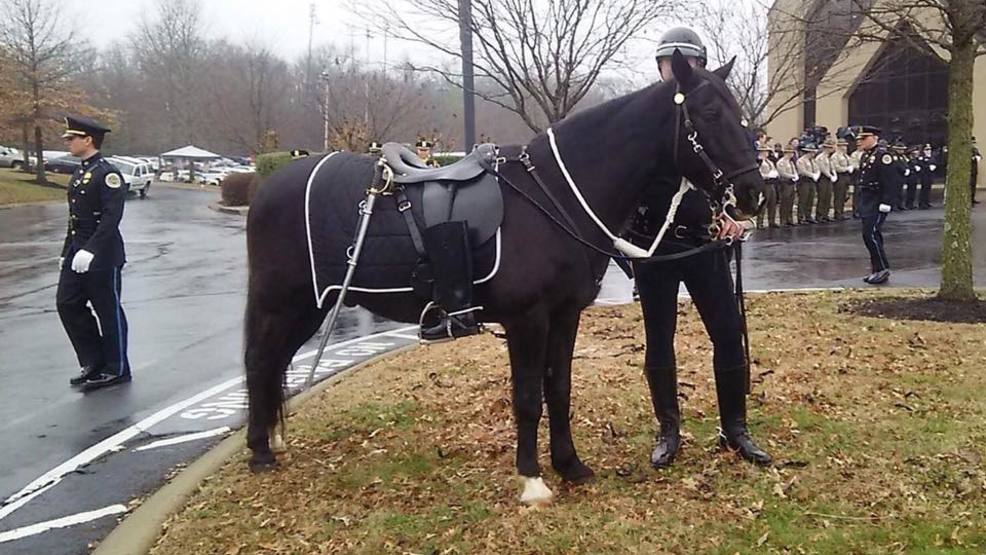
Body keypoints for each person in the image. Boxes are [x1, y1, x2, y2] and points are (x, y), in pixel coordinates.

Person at [630, 26, 771, 469]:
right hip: (657, 246)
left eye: (689, 64)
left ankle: (735, 429)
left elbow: (723, 169)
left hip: (705, 242)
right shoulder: (647, 122)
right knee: (660, 338)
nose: (680, 72)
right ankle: (668, 428)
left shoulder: (707, 110)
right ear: (661, 68)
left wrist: (729, 213)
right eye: (672, 64)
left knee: (728, 333)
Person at [57, 116, 131, 391]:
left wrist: (91, 250)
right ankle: (93, 361)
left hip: (102, 256)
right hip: (78, 253)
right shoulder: (80, 172)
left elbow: (111, 219)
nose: (67, 142)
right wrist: (67, 252)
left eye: (72, 138)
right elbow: (74, 219)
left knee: (108, 311)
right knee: (67, 303)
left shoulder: (107, 173)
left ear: (88, 140)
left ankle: (117, 368)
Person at [852, 125, 898, 284]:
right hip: (867, 199)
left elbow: (891, 181)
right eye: (859, 139)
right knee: (871, 235)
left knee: (870, 234)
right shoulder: (866, 156)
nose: (860, 142)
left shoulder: (883, 156)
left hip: (878, 200)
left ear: (875, 138)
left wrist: (886, 202)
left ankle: (883, 268)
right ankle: (877, 269)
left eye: (864, 138)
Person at [775, 146, 799, 227]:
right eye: (791, 153)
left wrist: (795, 175)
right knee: (784, 202)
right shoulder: (781, 162)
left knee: (790, 202)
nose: (792, 154)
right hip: (785, 183)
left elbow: (795, 170)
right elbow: (782, 173)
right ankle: (783, 220)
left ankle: (789, 218)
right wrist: (792, 176)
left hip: (792, 183)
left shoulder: (791, 162)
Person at [757, 144, 779, 229]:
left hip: (771, 182)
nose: (767, 153)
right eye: (765, 151)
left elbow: (773, 169)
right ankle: (760, 222)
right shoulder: (758, 161)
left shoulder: (769, 161)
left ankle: (772, 221)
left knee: (772, 202)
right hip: (764, 183)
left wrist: (774, 173)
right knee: (764, 203)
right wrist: (766, 175)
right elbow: (758, 173)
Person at [796, 144, 819, 224]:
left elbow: (817, 168)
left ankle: (808, 216)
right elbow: (802, 171)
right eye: (812, 152)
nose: (814, 154)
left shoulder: (813, 160)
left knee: (811, 198)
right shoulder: (801, 160)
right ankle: (801, 217)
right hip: (804, 181)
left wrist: (816, 174)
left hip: (812, 181)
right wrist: (812, 175)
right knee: (803, 199)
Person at [815, 140, 837, 222]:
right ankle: (819, 215)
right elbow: (822, 168)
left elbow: (832, 167)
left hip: (829, 178)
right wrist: (830, 175)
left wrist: (834, 174)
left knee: (828, 197)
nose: (832, 149)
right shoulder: (820, 157)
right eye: (830, 148)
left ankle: (825, 214)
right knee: (822, 197)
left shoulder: (829, 157)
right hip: (823, 178)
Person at [831, 139, 852, 220]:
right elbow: (836, 167)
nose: (845, 147)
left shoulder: (846, 156)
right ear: (839, 146)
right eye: (843, 145)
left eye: (845, 145)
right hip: (840, 176)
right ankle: (838, 213)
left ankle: (842, 212)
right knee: (839, 195)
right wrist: (846, 169)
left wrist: (851, 167)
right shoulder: (835, 156)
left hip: (846, 176)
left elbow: (851, 163)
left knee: (844, 195)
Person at [917, 144, 935, 209]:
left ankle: (926, 202)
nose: (928, 151)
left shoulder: (932, 157)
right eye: (927, 149)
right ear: (923, 150)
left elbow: (934, 164)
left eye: (929, 149)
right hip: (924, 176)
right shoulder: (921, 158)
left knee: (928, 189)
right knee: (924, 189)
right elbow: (922, 166)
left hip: (930, 176)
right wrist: (928, 167)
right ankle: (922, 203)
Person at [849, 144, 864, 218]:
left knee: (863, 194)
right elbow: (854, 164)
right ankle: (856, 211)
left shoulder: (865, 153)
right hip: (857, 174)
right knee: (857, 194)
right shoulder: (854, 154)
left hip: (864, 174)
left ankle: (862, 210)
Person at [972, 137, 981, 206]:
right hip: (970, 170)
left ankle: (972, 198)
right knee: (969, 185)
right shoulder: (967, 150)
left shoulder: (975, 149)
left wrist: (978, 157)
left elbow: (979, 156)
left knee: (973, 185)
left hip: (974, 170)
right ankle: (969, 200)